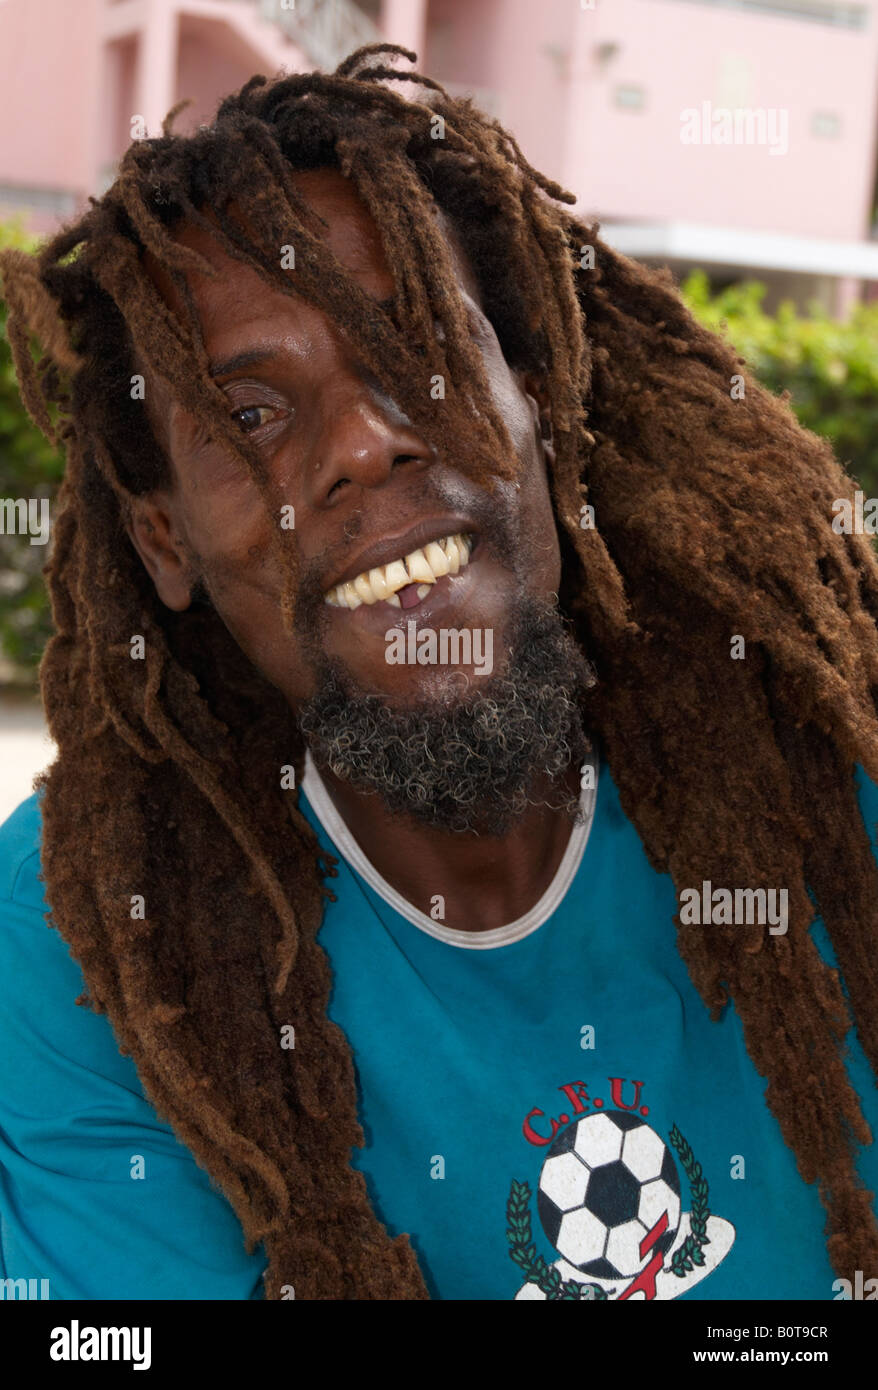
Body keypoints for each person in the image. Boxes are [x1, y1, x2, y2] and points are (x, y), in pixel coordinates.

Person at [1, 43, 877, 1302]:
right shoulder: (87, 927)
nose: (364, 442)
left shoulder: (826, 756)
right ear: (163, 539)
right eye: (252, 415)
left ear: (535, 398)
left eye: (414, 345)